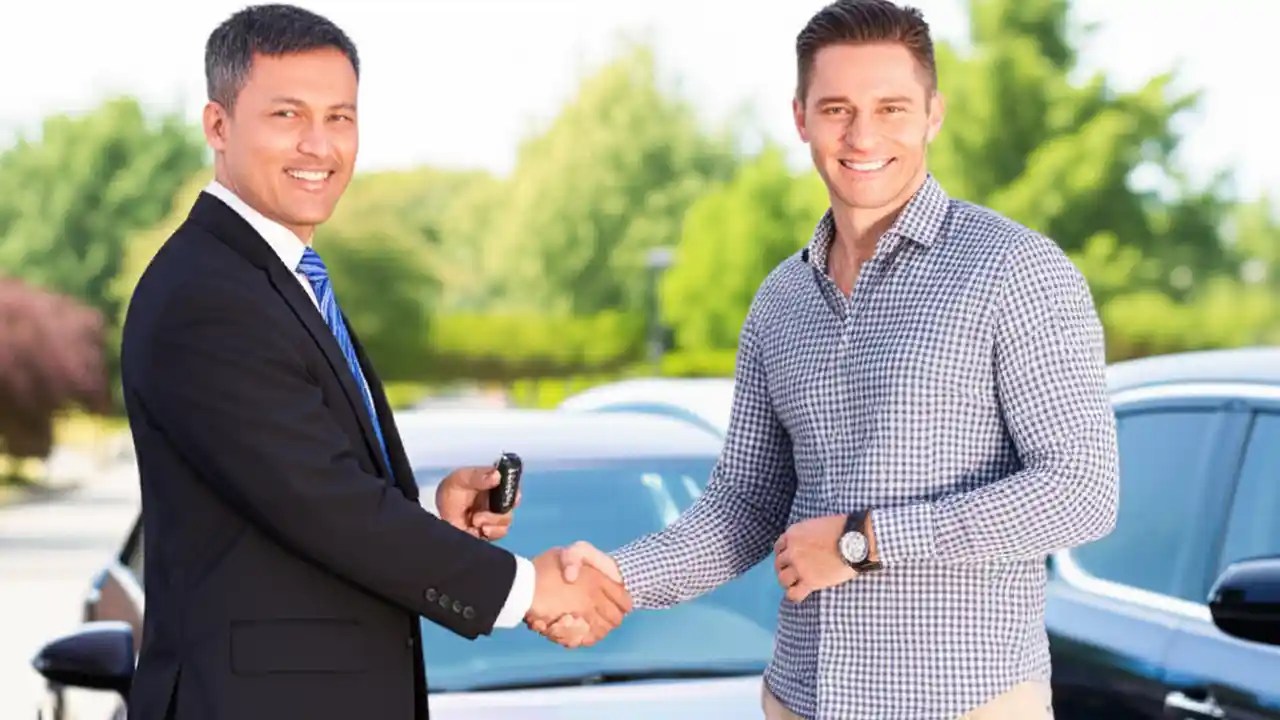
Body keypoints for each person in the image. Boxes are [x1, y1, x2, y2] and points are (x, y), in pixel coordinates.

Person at [543, 1, 1120, 718]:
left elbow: (1081, 490)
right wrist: (619, 576)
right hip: (800, 698)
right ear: (801, 118)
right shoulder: (781, 300)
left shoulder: (1016, 271)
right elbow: (745, 506)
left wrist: (862, 541)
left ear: (933, 114)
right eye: (838, 108)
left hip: (962, 703)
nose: (864, 135)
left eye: (892, 107)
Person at [119, 5, 628, 719]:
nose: (319, 146)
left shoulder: (277, 276)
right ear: (218, 126)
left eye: (340, 118)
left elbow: (291, 503)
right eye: (287, 115)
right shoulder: (208, 295)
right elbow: (321, 501)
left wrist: (423, 516)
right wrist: (524, 588)